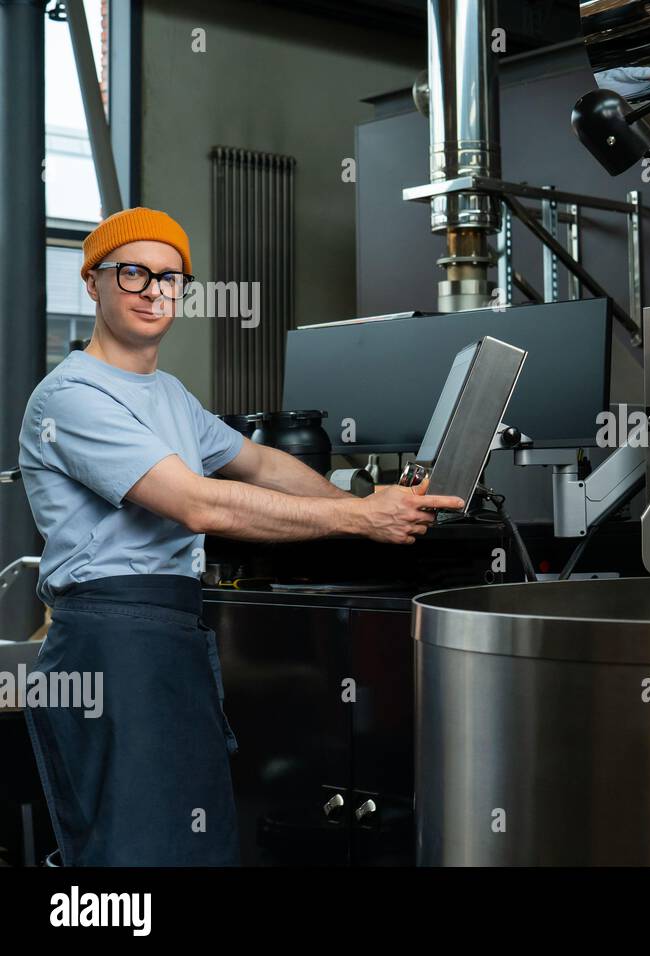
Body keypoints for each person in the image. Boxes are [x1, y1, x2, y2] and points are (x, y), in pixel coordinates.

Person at [18, 207, 462, 865]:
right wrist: (360, 519)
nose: (153, 291)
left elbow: (259, 463)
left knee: (193, 849)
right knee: (133, 860)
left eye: (170, 278)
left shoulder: (170, 395)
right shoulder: (71, 398)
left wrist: (362, 502)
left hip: (174, 636)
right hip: (110, 643)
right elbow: (198, 505)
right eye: (133, 271)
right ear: (93, 281)